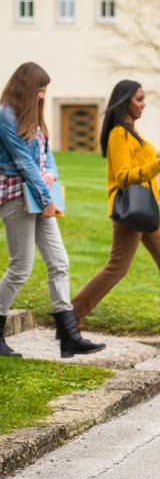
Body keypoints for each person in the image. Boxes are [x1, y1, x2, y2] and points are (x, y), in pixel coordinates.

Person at [71, 80, 160, 356]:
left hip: (146, 210)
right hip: (129, 213)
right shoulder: (119, 135)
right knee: (116, 268)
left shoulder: (133, 133)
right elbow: (123, 177)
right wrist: (159, 164)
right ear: (125, 102)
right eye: (140, 99)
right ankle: (68, 319)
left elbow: (140, 176)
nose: (144, 104)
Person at [0, 62, 105, 358]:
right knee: (21, 267)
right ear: (27, 88)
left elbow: (47, 155)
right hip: (15, 195)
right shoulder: (6, 114)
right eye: (40, 90)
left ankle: (69, 335)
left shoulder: (34, 116)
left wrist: (51, 175)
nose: (43, 97)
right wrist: (47, 199)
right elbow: (22, 161)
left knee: (59, 261)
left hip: (38, 195)